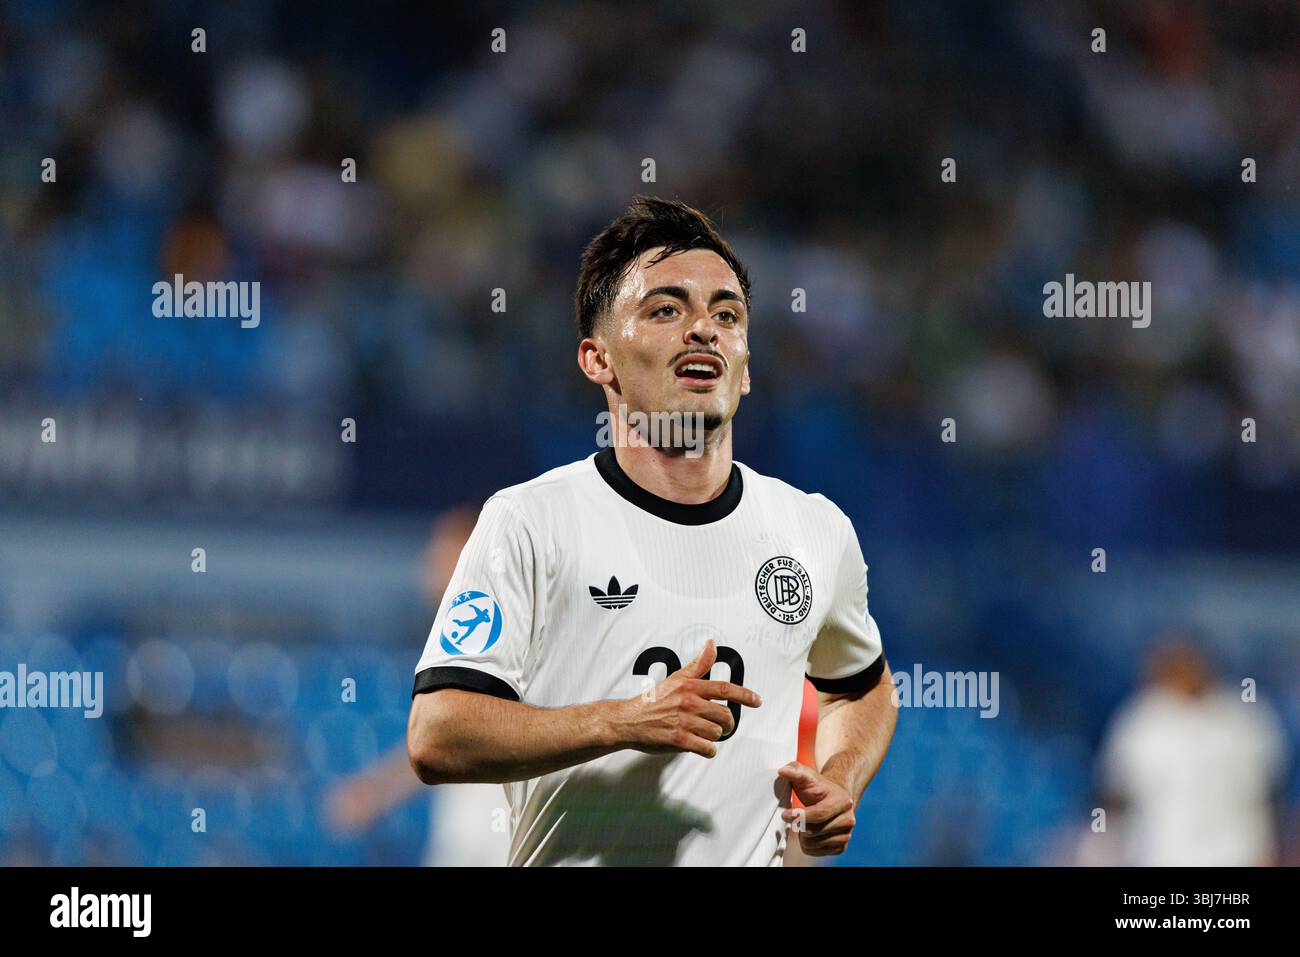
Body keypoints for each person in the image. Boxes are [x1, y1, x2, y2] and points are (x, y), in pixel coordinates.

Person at [406, 196, 897, 866]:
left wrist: (840, 779)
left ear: (746, 366)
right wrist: (621, 719)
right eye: (666, 309)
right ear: (597, 359)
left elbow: (861, 684)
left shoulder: (814, 530)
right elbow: (437, 734)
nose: (704, 330)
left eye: (726, 314)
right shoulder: (530, 522)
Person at [324, 506, 511, 866]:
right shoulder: (463, 636)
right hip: (467, 835)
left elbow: (454, 731)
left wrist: (374, 792)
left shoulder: (500, 629)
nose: (430, 568)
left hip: (499, 838)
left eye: (443, 554)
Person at [1096, 635, 1289, 866]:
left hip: (1235, 855)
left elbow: (1271, 794)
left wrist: (1271, 849)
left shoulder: (1245, 716)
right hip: (1163, 857)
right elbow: (1115, 794)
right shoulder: (1142, 719)